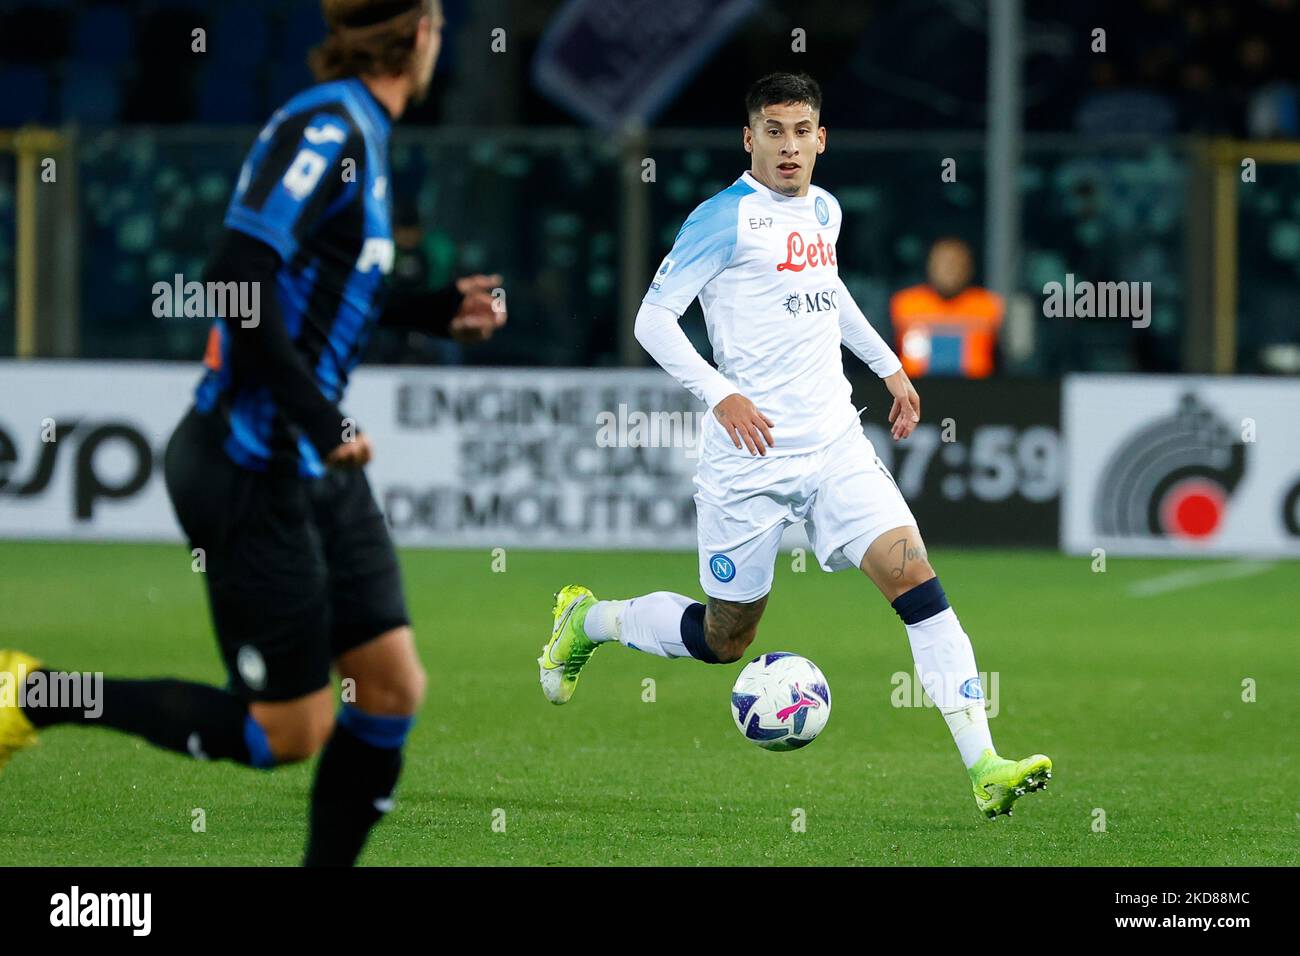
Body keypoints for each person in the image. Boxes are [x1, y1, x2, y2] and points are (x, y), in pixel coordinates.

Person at [0, 0, 505, 866]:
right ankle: (39, 693)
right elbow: (236, 276)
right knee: (287, 729)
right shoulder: (330, 128)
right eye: (439, 25)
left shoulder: (365, 137)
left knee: (389, 690)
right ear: (419, 32)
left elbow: (322, 294)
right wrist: (320, 414)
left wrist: (429, 309)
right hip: (252, 461)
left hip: (316, 464)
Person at [538, 72, 1049, 819]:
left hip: (836, 446)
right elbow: (652, 320)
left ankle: (985, 765)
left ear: (820, 138)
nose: (788, 146)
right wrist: (721, 393)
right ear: (749, 139)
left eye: (801, 130)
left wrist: (890, 368)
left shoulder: (826, 210)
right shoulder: (722, 219)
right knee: (725, 639)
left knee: (919, 585)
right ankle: (589, 622)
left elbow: (829, 293)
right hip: (748, 461)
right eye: (772, 131)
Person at [889, 237, 1003, 378]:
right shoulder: (905, 303)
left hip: (975, 390)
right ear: (930, 266)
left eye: (956, 263)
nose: (949, 269)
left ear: (969, 268)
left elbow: (1002, 359)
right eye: (943, 263)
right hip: (915, 389)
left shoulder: (988, 305)